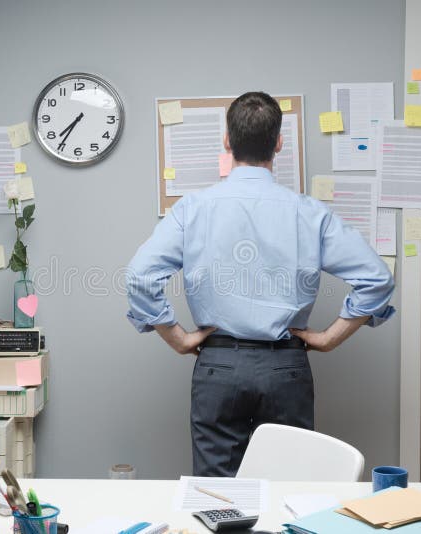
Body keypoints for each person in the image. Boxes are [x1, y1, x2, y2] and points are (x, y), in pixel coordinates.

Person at [126, 91, 395, 477]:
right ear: (279, 143)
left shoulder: (193, 209)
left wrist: (178, 338)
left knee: (216, 501)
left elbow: (140, 276)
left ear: (227, 141)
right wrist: (331, 337)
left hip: (218, 365)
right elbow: (378, 279)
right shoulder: (309, 213)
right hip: (286, 367)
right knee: (289, 494)